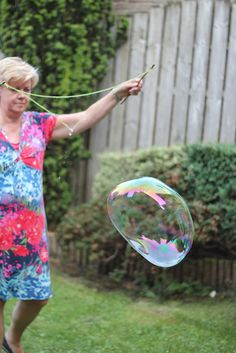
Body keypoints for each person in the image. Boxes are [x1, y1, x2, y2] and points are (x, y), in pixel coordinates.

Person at [0, 56, 142, 353]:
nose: (23, 95)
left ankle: (12, 334)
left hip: (30, 233)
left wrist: (117, 94)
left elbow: (85, 118)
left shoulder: (38, 126)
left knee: (38, 297)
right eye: (15, 88)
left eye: (27, 88)